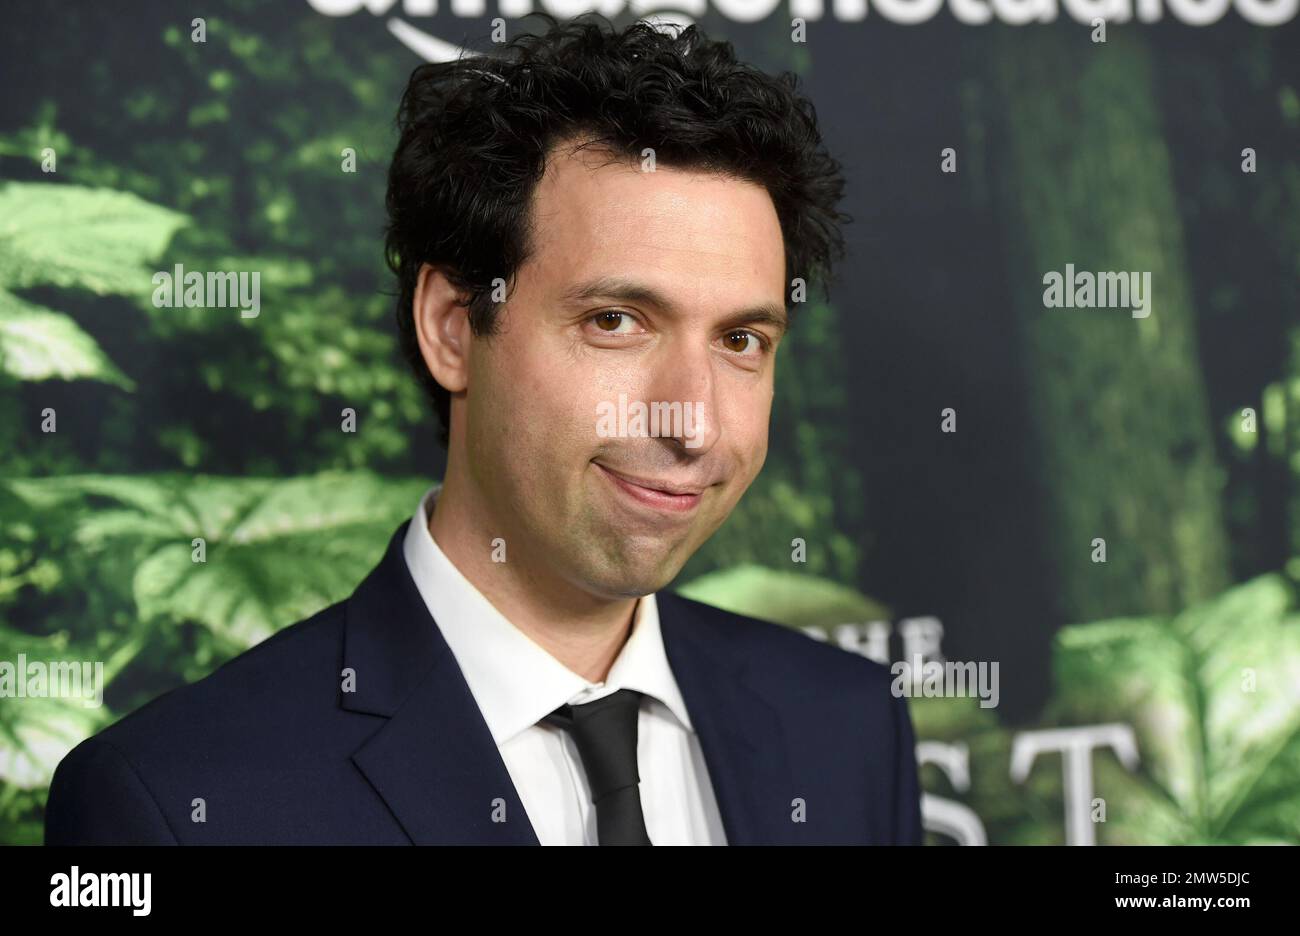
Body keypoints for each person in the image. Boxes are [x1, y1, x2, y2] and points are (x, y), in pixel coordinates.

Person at [44, 14, 922, 846]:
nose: (692, 421)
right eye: (615, 321)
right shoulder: (172, 802)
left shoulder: (846, 729)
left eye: (741, 340)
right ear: (454, 328)